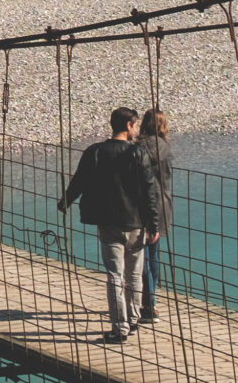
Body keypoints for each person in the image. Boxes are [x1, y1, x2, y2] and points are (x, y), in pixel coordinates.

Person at [58, 106, 161, 342]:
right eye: (135, 125)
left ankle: (119, 328)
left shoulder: (95, 152)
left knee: (115, 275)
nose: (136, 129)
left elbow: (80, 181)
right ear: (128, 126)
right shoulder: (139, 153)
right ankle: (134, 320)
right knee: (134, 275)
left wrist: (65, 201)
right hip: (136, 223)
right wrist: (153, 225)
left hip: (108, 222)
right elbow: (149, 192)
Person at [136, 109, 174, 323]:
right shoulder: (167, 148)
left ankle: (147, 304)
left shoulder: (139, 148)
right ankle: (151, 301)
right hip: (164, 205)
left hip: (143, 205)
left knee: (141, 255)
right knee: (153, 254)